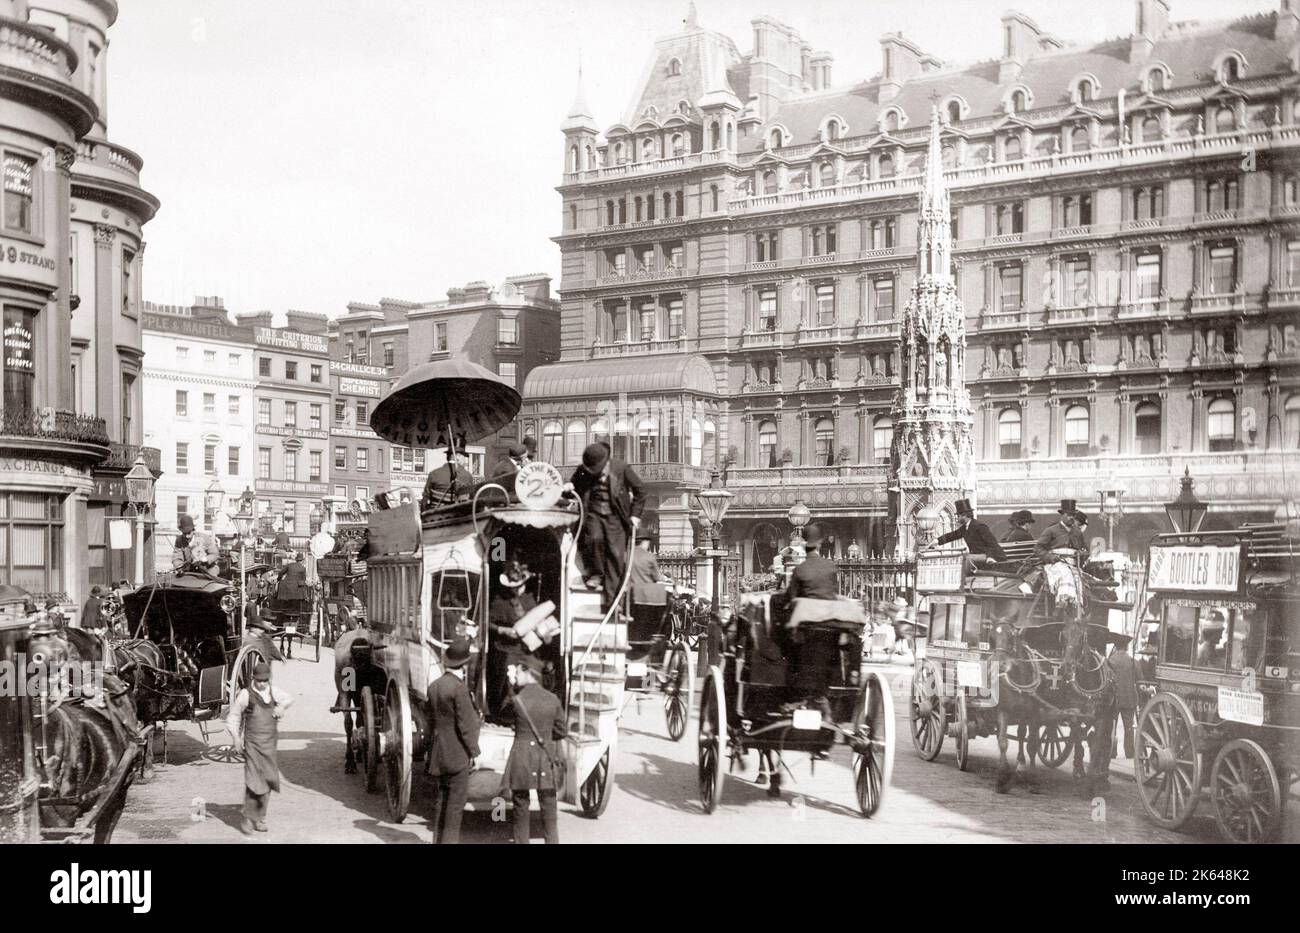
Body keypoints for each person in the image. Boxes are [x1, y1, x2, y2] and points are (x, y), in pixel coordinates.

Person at [566, 442, 646, 612]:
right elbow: (573, 486)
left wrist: (634, 515)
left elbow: (640, 491)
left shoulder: (622, 468)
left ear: (606, 462)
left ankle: (612, 601)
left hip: (615, 517)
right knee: (593, 538)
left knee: (615, 555)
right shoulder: (584, 469)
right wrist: (568, 487)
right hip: (593, 513)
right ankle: (596, 573)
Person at [225, 661, 294, 835]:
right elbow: (233, 717)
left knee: (268, 779)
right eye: (259, 680)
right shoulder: (245, 695)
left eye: (265, 680)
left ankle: (261, 816)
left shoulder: (273, 691)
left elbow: (289, 698)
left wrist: (281, 707)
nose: (262, 683)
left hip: (270, 744)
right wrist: (236, 738)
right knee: (254, 779)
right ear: (253, 679)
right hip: (253, 744)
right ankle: (249, 818)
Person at [504, 654, 566, 844]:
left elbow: (503, 714)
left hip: (521, 757)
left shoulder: (516, 700)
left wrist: (510, 685)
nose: (517, 675)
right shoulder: (553, 699)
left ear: (528, 672)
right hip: (545, 757)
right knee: (549, 806)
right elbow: (561, 731)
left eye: (519, 671)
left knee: (521, 806)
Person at [427, 636, 480, 844]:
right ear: (464, 665)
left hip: (438, 754)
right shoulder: (459, 689)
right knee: (455, 807)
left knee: (441, 800)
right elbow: (466, 726)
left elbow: (430, 721)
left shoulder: (434, 686)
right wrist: (474, 752)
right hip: (457, 755)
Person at [487, 562, 538, 717]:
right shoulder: (499, 601)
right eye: (512, 587)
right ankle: (505, 713)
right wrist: (502, 630)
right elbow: (486, 622)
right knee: (507, 681)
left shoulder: (530, 601)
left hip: (526, 649)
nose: (514, 590)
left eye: (518, 586)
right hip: (504, 649)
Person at [628, 530, 670, 659]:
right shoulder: (649, 556)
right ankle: (659, 636)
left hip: (630, 596)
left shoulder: (626, 554)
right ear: (645, 542)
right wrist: (666, 579)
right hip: (647, 598)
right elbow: (657, 577)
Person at [935, 499, 1006, 563]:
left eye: (958, 516)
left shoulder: (979, 526)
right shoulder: (965, 528)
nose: (957, 518)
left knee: (965, 558)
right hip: (979, 556)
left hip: (990, 556)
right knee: (964, 557)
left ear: (964, 515)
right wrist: (937, 541)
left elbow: (992, 543)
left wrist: (990, 557)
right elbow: (952, 535)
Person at [1107, 635, 1138, 759]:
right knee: (1129, 728)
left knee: (1111, 726)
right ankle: (1129, 753)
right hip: (1129, 699)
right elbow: (1140, 679)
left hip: (1113, 700)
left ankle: (1112, 752)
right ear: (1126, 646)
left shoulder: (1110, 661)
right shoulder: (1133, 662)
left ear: (1116, 646)